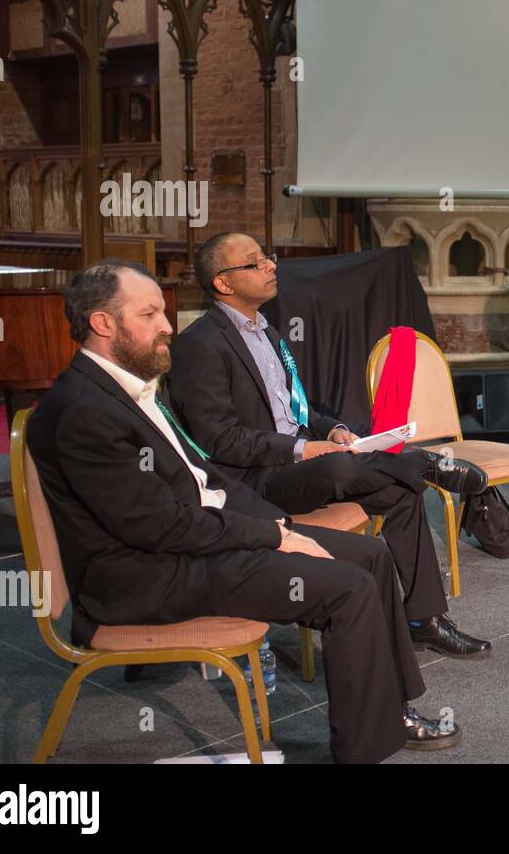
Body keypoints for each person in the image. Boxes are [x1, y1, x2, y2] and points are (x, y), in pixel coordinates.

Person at [27, 260, 458, 760]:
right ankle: (365, 749)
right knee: (348, 588)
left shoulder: (125, 386)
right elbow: (155, 526)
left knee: (370, 556)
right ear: (103, 323)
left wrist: (278, 523)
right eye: (149, 314)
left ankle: (392, 712)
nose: (167, 326)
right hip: (143, 574)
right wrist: (271, 537)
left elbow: (206, 478)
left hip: (185, 542)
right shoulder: (83, 410)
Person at [167, 232, 490, 659]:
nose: (270, 266)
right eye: (255, 262)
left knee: (398, 492)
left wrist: (331, 429)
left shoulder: (268, 331)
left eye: (269, 257)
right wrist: (305, 450)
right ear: (223, 283)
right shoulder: (200, 345)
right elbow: (220, 439)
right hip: (255, 480)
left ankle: (424, 619)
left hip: (302, 463)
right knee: (340, 467)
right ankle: (419, 462)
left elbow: (299, 408)